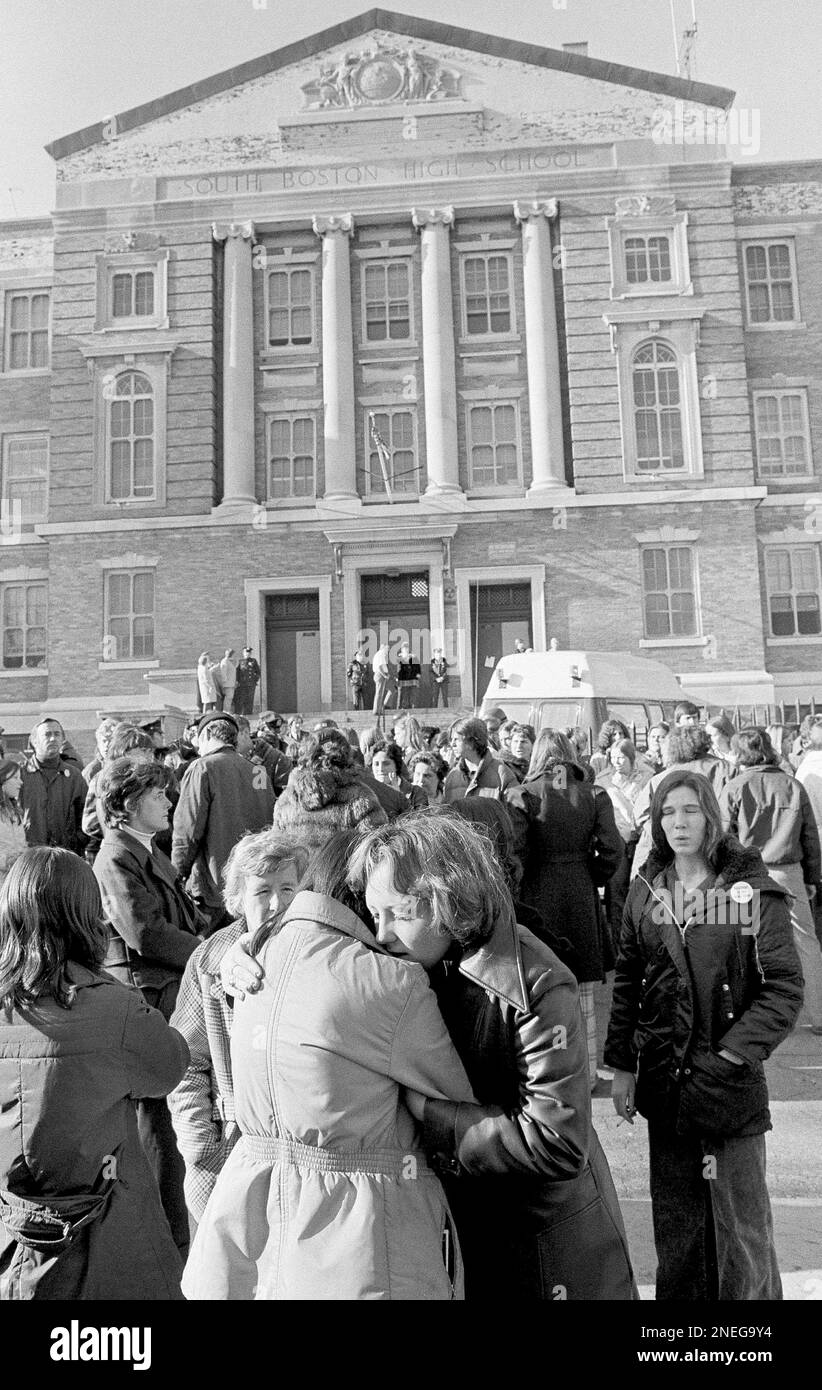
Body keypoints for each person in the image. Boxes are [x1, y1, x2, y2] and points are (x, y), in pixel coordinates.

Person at [183, 830, 476, 1301]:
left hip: (255, 1224)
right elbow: (458, 1105)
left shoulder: (252, 957)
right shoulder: (389, 981)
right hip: (357, 1232)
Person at [605, 771, 803, 1300]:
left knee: (741, 1238)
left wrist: (732, 1056)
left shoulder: (744, 891)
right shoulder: (648, 889)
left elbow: (783, 988)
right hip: (666, 1090)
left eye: (689, 810)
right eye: (667, 813)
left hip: (727, 1091)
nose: (678, 823)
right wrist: (622, 1067)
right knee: (681, 1237)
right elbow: (628, 980)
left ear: (710, 815)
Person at [0, 847, 189, 1300]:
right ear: (86, 914)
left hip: (11, 1225)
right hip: (107, 1230)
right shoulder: (114, 1007)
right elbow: (170, 1067)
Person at [93, 755, 207, 1253]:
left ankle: (174, 1232)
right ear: (127, 804)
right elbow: (145, 934)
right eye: (157, 794)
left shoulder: (144, 850)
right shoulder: (115, 856)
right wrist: (208, 950)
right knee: (160, 1123)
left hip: (170, 988)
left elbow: (184, 916)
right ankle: (167, 1241)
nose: (169, 801)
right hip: (149, 996)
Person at [168, 831, 308, 1229]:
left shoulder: (316, 951)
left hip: (299, 1160)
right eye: (262, 891)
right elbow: (185, 1061)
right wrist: (201, 1148)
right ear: (239, 900)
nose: (277, 902)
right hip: (229, 1154)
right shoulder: (210, 959)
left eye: (287, 887)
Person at [520, 729, 623, 1086]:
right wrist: (587, 872)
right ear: (570, 754)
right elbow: (614, 849)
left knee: (542, 985)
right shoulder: (594, 794)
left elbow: (515, 852)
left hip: (537, 895)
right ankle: (589, 1070)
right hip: (579, 892)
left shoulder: (524, 794)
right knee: (581, 987)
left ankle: (550, 1069)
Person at [720, 727, 822, 1033]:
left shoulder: (734, 786)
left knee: (744, 942)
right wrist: (813, 875)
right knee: (806, 942)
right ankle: (819, 1015)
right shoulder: (792, 785)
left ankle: (749, 1017)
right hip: (787, 870)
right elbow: (809, 836)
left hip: (747, 874)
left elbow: (724, 837)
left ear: (739, 753)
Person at [172, 712, 276, 931]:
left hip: (214, 887)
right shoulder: (257, 770)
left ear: (208, 733)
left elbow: (187, 830)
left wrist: (178, 874)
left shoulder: (203, 768)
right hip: (254, 881)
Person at [272, 730, 387, 850]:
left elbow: (277, 850)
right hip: (344, 867)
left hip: (298, 867)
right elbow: (375, 851)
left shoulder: (286, 800)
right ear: (347, 756)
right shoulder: (361, 799)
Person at [596, 738, 652, 939]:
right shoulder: (603, 780)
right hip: (617, 838)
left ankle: (642, 935)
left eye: (621, 757)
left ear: (631, 757)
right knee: (617, 890)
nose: (617, 762)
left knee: (639, 888)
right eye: (613, 758)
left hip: (641, 839)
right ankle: (621, 939)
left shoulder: (647, 777)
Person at [19, 717, 87, 856]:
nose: (52, 739)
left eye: (57, 734)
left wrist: (76, 842)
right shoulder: (20, 775)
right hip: (30, 857)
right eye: (47, 734)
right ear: (34, 741)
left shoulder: (74, 776)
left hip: (65, 857)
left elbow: (85, 814)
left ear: (63, 739)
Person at [370, 741, 427, 810]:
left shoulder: (417, 793)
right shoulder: (368, 793)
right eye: (376, 764)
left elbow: (420, 819)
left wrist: (398, 799)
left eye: (386, 764)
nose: (380, 769)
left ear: (396, 766)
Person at [0, 757, 26, 883]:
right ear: (2, 781)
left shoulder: (16, 812)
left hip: (15, 880)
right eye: (15, 778)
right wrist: (7, 860)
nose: (20, 782)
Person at [82, 716, 118, 783]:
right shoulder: (91, 772)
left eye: (111, 741)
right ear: (98, 743)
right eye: (104, 741)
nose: (107, 745)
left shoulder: (127, 765)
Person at [233, 647, 261, 717]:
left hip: (251, 684)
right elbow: (238, 672)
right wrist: (237, 681)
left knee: (250, 699)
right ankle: (241, 713)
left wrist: (255, 679)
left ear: (250, 653)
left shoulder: (253, 661)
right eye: (246, 652)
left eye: (249, 653)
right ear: (243, 653)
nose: (247, 654)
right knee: (242, 698)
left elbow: (258, 672)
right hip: (242, 684)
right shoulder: (240, 661)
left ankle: (249, 713)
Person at [396, 643, 420, 710]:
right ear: (402, 649)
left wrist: (418, 674)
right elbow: (398, 668)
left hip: (413, 678)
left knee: (413, 693)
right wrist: (397, 677)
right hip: (403, 679)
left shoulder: (414, 657)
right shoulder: (399, 658)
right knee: (404, 693)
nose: (406, 649)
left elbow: (417, 666)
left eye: (407, 648)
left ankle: (414, 706)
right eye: (404, 648)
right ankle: (404, 707)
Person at [372, 642, 394, 716]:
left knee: (392, 689)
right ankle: (376, 710)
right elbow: (380, 667)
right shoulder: (381, 654)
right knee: (379, 692)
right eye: (387, 648)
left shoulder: (381, 655)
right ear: (383, 648)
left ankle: (384, 706)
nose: (388, 650)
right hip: (380, 675)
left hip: (382, 675)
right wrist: (384, 675)